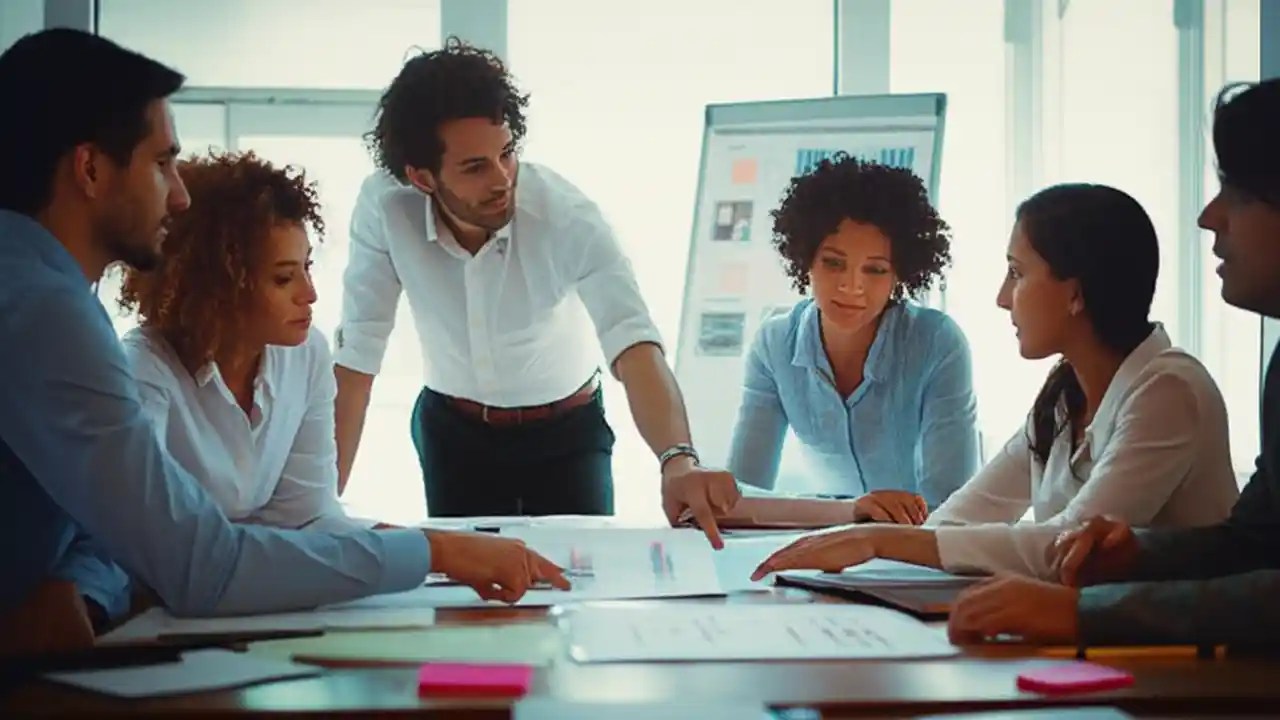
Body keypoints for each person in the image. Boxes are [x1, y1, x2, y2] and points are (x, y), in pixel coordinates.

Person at [0, 29, 566, 653]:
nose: (179, 194)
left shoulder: (43, 295)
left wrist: (80, 588)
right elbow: (198, 565)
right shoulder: (48, 316)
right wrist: (434, 549)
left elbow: (102, 522)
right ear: (89, 169)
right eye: (162, 164)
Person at [333, 38, 738, 545]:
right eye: (475, 166)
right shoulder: (385, 209)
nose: (503, 178)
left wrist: (678, 459)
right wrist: (318, 503)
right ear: (421, 177)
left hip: (566, 432)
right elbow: (356, 361)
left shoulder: (568, 217)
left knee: (582, 580)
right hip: (452, 431)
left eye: (507, 154)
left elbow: (634, 343)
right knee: (468, 595)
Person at [752, 183, 1239, 583]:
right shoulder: (1066, 392)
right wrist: (860, 550)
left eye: (1017, 272)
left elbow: (1066, 545)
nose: (1003, 298)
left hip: (1187, 671)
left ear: (1075, 293)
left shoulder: (1169, 391)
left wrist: (876, 539)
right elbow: (964, 516)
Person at [945, 79, 1280, 648]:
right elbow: (1255, 543)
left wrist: (1089, 612)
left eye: (1237, 192)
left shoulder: (1169, 387)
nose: (1208, 217)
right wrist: (1140, 550)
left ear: (1076, 292)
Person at [718, 154, 978, 527]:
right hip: (832, 549)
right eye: (834, 263)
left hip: (925, 559)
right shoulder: (774, 345)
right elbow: (739, 498)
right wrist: (849, 514)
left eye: (875, 270)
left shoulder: (937, 343)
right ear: (804, 258)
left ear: (899, 274)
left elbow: (953, 511)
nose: (852, 286)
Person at [118, 151, 370, 532]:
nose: (310, 294)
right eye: (283, 279)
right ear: (219, 286)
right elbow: (153, 535)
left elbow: (308, 515)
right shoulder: (144, 371)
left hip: (253, 573)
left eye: (307, 268)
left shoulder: (307, 353)